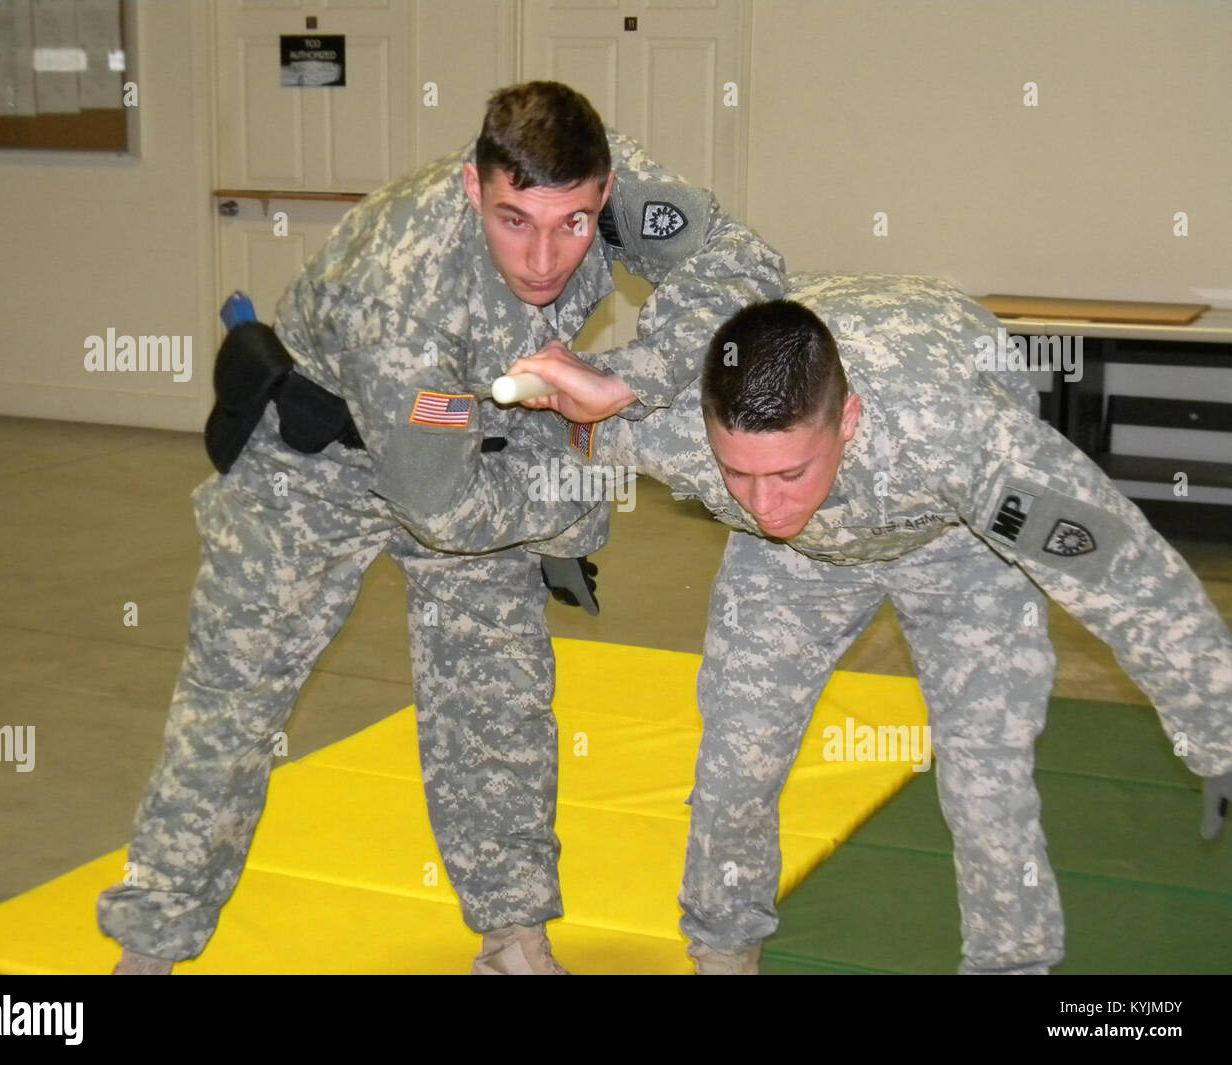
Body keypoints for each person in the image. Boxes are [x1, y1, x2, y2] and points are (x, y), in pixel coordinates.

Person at [96, 81, 785, 975]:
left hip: (484, 435)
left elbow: (745, 266)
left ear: (606, 192)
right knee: (234, 698)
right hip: (319, 465)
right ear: (472, 188)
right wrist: (576, 503)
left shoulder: (615, 193)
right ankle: (149, 949)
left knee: (495, 696)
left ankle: (512, 940)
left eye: (573, 224)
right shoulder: (404, 285)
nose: (544, 257)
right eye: (513, 221)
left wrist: (636, 371)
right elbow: (444, 506)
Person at [389, 272, 1232, 975]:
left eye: (788, 471)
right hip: (787, 568)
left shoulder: (961, 441)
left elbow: (1126, 575)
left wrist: (1218, 734)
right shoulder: (672, 426)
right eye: (738, 474)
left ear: (849, 422)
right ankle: (723, 951)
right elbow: (487, 417)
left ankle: (1011, 965)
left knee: (988, 773)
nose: (763, 499)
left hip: (953, 542)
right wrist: (411, 406)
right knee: (738, 761)